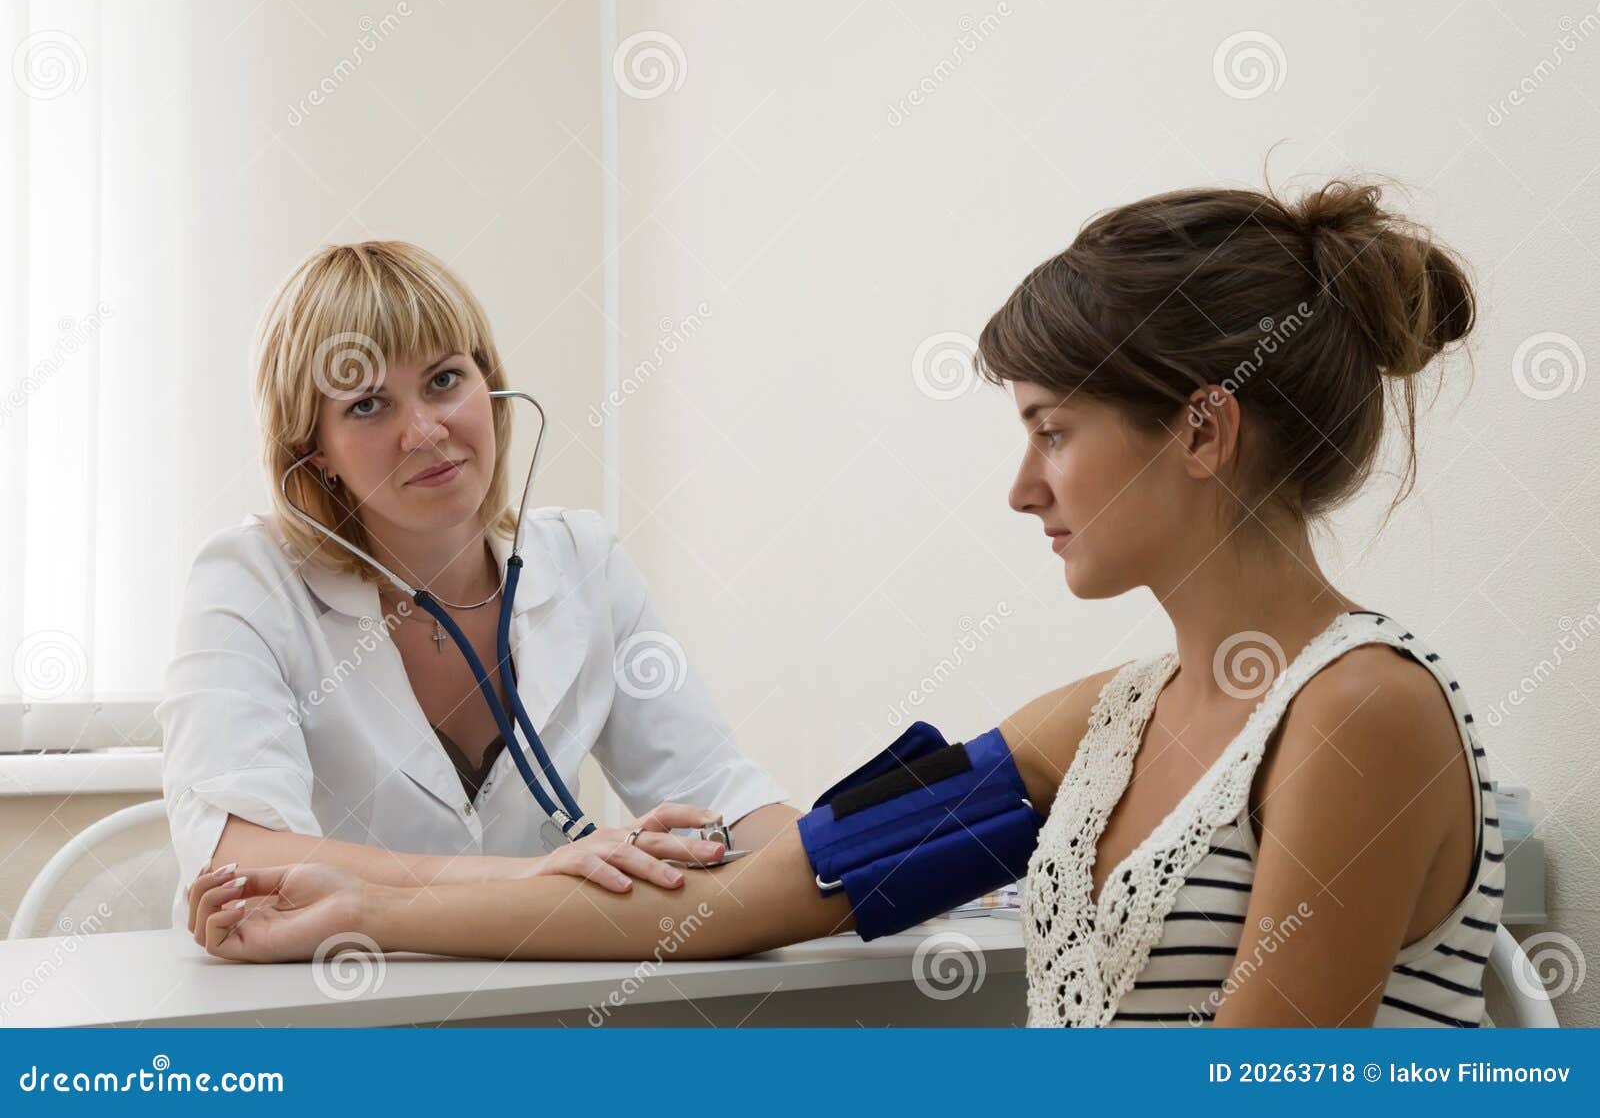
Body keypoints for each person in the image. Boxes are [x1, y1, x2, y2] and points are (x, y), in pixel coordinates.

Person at [188, 177, 1503, 1028]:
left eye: (1051, 430)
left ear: (1203, 432)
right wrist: (360, 909)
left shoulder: (1356, 719)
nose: (1020, 486)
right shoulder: (1096, 726)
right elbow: (751, 893)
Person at [159, 241, 797, 929]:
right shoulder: (249, 582)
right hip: (321, 1008)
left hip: (532, 1004)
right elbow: (242, 861)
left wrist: (869, 850)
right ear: (316, 453)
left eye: (442, 380)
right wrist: (535, 876)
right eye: (370, 404)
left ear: (489, 387)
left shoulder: (584, 560)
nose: (426, 432)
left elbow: (721, 798)